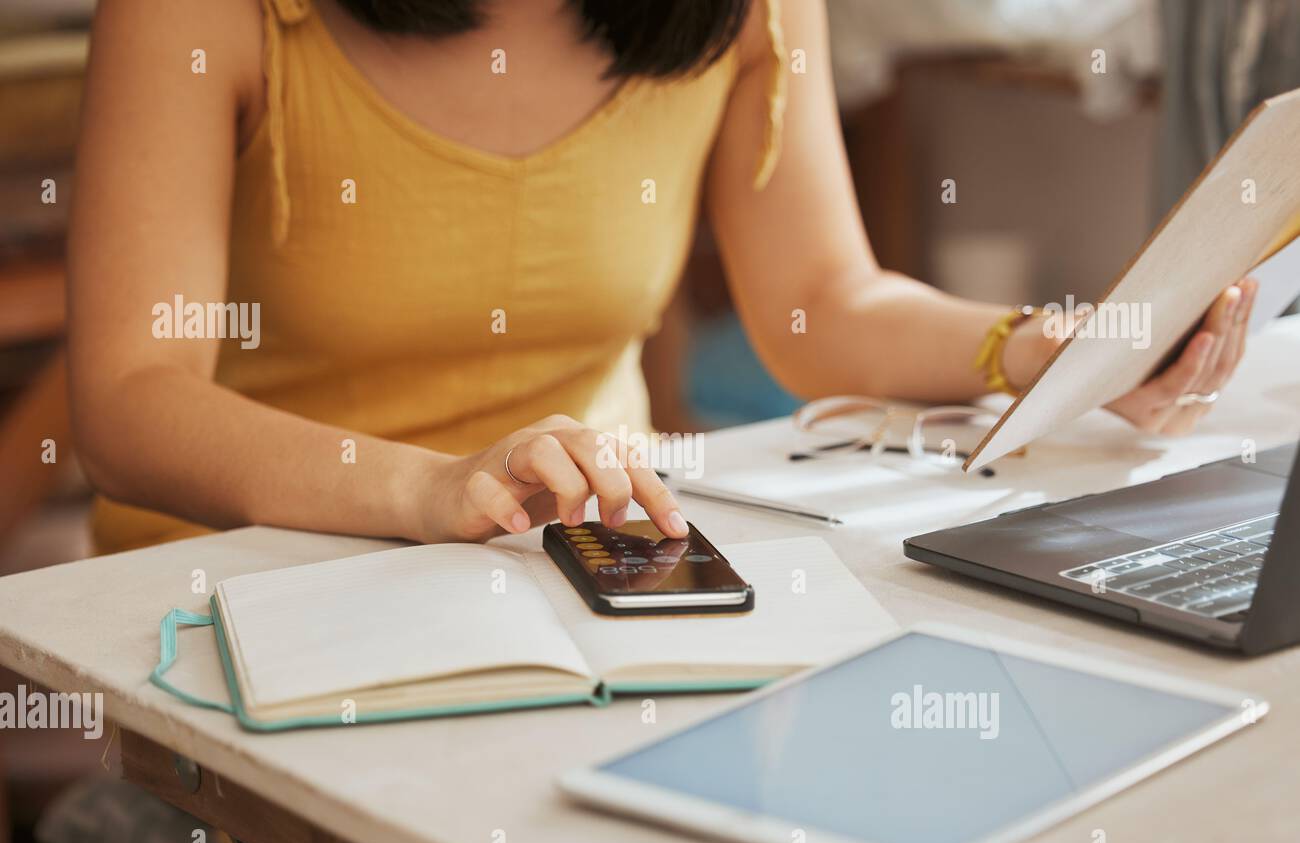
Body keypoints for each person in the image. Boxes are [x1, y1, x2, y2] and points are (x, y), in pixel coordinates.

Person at [68, 0, 1256, 556]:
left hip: (582, 561)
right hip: (241, 579)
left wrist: (1039, 349)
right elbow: (125, 403)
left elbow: (822, 304)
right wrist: (431, 489)